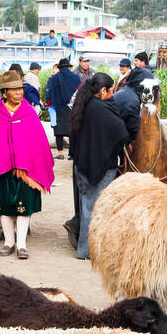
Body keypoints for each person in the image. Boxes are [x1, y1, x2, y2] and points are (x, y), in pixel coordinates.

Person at [0, 71, 54, 259]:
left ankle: (22, 244)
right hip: (1, 171)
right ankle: (9, 242)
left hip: (25, 171)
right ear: (4, 93)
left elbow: (38, 143)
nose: (19, 93)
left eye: (20, 89)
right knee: (4, 207)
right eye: (14, 90)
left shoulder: (29, 114)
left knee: (23, 208)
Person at [69, 72, 130, 260]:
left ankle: (84, 249)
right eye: (111, 91)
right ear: (103, 91)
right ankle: (89, 251)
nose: (112, 95)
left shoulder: (83, 105)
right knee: (95, 209)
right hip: (100, 167)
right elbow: (121, 131)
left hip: (81, 165)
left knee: (85, 205)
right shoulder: (101, 110)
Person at [45, 58, 80, 158]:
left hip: (58, 107)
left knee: (59, 131)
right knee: (72, 131)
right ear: (69, 67)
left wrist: (49, 102)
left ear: (60, 68)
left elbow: (50, 94)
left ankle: (60, 154)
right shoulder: (76, 78)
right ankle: (72, 154)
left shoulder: (54, 78)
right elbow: (80, 92)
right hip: (72, 107)